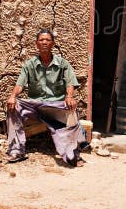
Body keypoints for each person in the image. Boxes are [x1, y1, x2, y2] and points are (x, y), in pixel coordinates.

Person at [6, 29, 87, 166]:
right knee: (13, 106)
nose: (44, 42)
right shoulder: (29, 64)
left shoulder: (62, 64)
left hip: (55, 106)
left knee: (72, 110)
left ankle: (73, 152)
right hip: (34, 105)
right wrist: (13, 96)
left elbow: (70, 83)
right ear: (36, 44)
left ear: (52, 44)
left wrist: (69, 96)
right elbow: (20, 84)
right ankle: (17, 150)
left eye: (48, 40)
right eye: (41, 40)